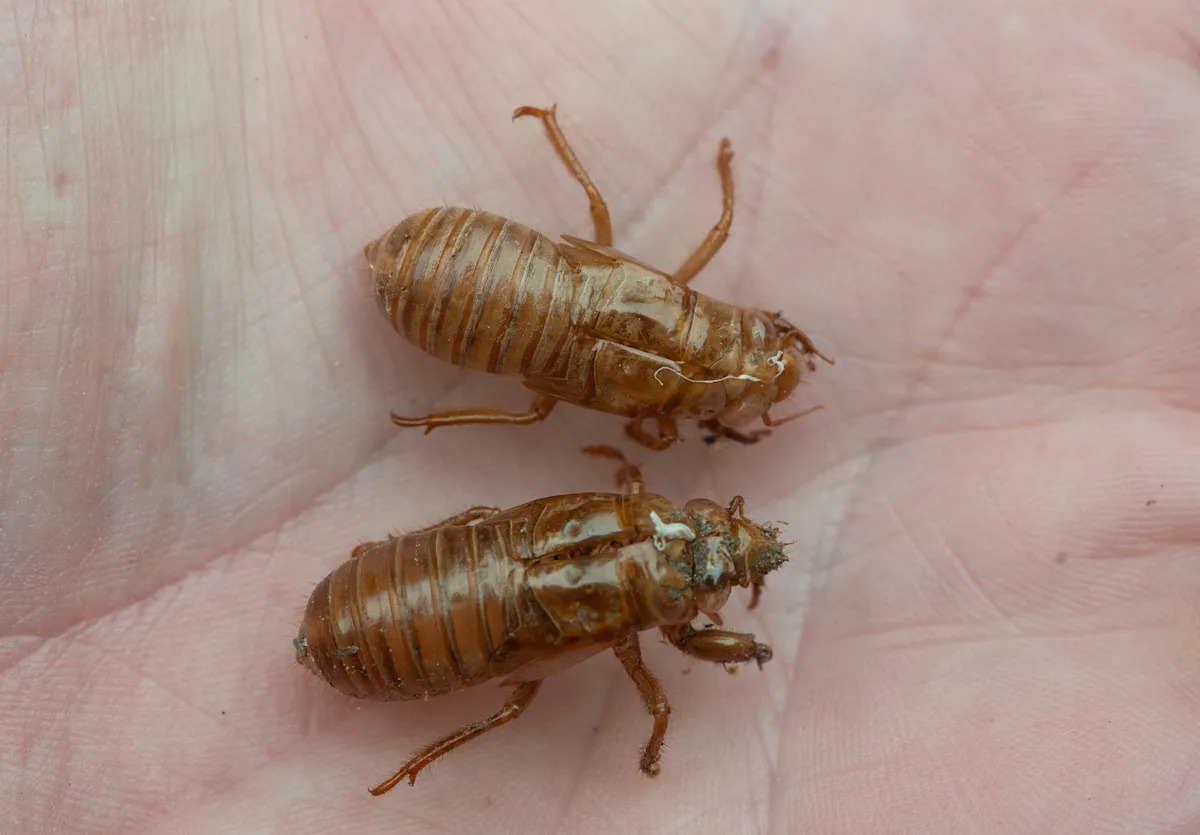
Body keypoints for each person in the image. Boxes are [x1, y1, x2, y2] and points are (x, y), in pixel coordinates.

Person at [2, 2, 1197, 832]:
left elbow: (609, 434)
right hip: (465, 452)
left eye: (716, 547)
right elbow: (635, 565)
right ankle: (404, 691)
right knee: (507, 663)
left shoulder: (640, 468)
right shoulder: (648, 504)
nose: (724, 540)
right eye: (719, 538)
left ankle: (396, 674)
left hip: (471, 435)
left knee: (494, 590)